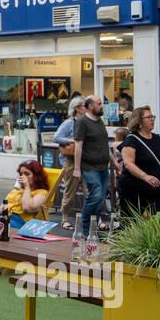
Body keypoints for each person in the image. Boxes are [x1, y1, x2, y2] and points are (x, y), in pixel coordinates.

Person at [72, 95, 111, 258]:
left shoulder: (100, 121)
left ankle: (92, 231)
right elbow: (78, 145)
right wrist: (76, 168)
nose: (101, 106)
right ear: (89, 106)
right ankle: (85, 228)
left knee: (100, 199)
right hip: (89, 167)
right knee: (95, 196)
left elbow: (105, 144)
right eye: (99, 103)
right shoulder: (82, 122)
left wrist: (114, 161)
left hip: (103, 166)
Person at [118, 106, 160, 215]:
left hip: (157, 189)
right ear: (139, 122)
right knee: (131, 223)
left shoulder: (158, 139)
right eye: (149, 117)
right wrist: (145, 176)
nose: (152, 119)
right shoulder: (131, 140)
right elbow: (128, 164)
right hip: (134, 189)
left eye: (153, 117)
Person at [52, 97, 86, 233]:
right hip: (71, 161)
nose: (87, 108)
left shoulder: (86, 122)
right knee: (70, 192)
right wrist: (72, 140)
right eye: (84, 105)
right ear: (77, 108)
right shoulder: (69, 123)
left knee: (89, 192)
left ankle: (94, 219)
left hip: (86, 161)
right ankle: (64, 218)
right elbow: (56, 137)